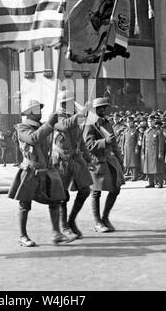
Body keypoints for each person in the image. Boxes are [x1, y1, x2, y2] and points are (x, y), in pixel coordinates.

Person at [8, 100, 71, 247]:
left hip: (46, 169)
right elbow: (33, 138)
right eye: (37, 109)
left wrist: (60, 119)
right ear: (29, 112)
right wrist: (49, 124)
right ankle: (22, 236)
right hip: (30, 170)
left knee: (55, 200)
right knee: (25, 204)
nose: (40, 111)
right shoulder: (22, 128)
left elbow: (59, 128)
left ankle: (56, 233)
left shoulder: (43, 126)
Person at [52, 90, 92, 240]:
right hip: (61, 160)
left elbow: (79, 140)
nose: (70, 105)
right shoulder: (56, 117)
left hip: (76, 159)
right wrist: (82, 112)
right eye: (67, 102)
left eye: (71, 102)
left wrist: (88, 158)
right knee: (62, 195)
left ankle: (71, 220)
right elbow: (65, 125)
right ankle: (64, 227)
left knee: (85, 190)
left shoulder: (75, 118)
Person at [83, 98, 125, 233]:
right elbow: (88, 145)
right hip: (97, 161)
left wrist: (120, 160)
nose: (102, 110)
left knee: (116, 188)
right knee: (96, 192)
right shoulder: (89, 124)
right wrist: (104, 142)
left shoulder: (106, 122)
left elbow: (114, 144)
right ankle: (97, 222)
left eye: (104, 107)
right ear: (94, 110)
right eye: (99, 108)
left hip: (110, 160)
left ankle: (105, 217)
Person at [142, 116, 165, 189]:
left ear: (154, 122)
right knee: (148, 168)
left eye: (151, 121)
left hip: (155, 152)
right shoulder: (146, 131)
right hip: (148, 152)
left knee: (157, 168)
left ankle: (160, 183)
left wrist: (160, 153)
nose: (150, 123)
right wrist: (143, 153)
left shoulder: (158, 131)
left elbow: (161, 143)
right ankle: (151, 183)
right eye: (149, 121)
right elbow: (143, 144)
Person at [122, 116, 140, 181]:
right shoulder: (125, 130)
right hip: (126, 148)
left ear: (133, 122)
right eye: (127, 122)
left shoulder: (135, 130)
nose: (128, 123)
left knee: (134, 163)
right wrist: (122, 149)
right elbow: (123, 140)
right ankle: (129, 175)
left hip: (133, 148)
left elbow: (138, 140)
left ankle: (134, 176)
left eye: (130, 122)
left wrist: (136, 147)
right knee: (127, 163)